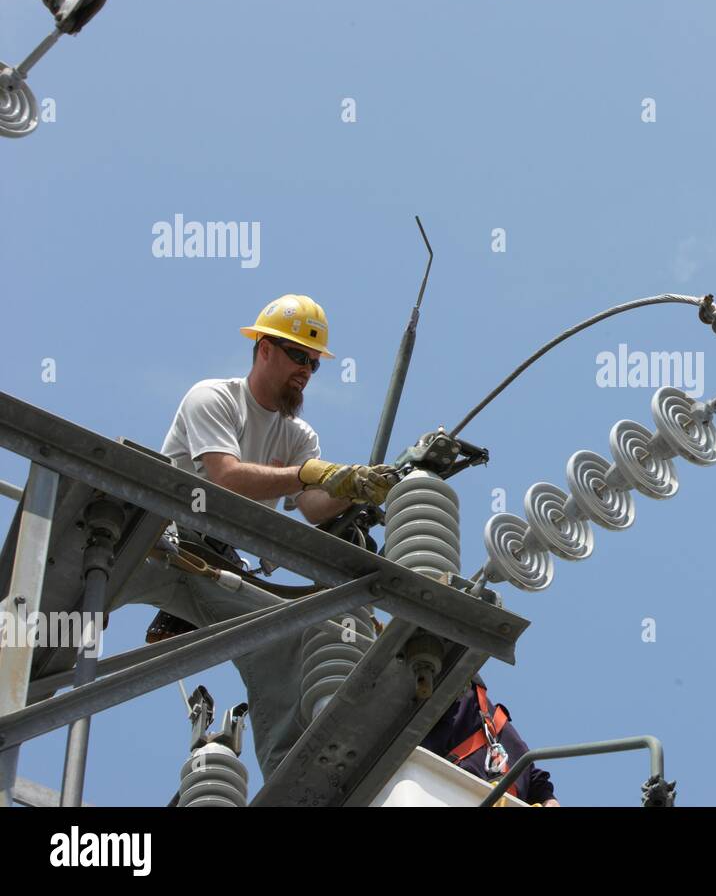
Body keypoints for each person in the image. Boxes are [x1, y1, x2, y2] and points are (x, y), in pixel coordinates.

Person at [107, 294, 400, 777]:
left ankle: (292, 776)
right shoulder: (215, 398)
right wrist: (310, 473)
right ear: (263, 349)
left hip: (214, 566)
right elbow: (224, 479)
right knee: (64, 606)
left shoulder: (298, 435)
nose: (306, 370)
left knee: (282, 641)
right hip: (157, 542)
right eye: (297, 356)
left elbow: (314, 510)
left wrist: (355, 487)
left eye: (314, 363)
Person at [422, 674, 560, 806]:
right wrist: (548, 799)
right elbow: (536, 781)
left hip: (441, 722)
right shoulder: (528, 784)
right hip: (462, 700)